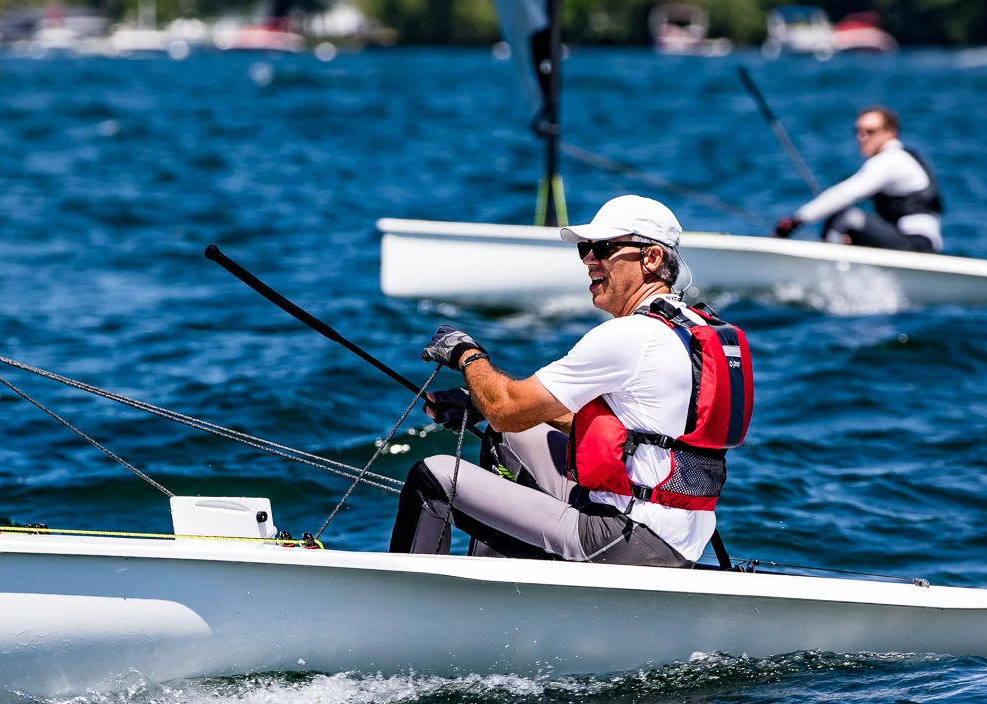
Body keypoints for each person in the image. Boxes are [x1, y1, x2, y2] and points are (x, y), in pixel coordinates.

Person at [388, 196, 752, 568]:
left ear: (653, 258)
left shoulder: (630, 336)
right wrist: (480, 404)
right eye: (585, 248)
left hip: (623, 539)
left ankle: (403, 608)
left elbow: (506, 410)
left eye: (604, 248)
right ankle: (499, 590)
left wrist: (466, 354)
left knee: (433, 476)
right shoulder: (696, 330)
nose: (589, 260)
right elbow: (632, 431)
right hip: (677, 539)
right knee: (512, 436)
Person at [773, 106, 944, 252]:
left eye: (870, 132)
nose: (862, 138)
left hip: (917, 246)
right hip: (902, 241)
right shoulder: (897, 158)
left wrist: (796, 220)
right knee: (850, 229)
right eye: (858, 132)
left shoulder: (892, 160)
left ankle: (824, 270)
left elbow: (845, 194)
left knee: (845, 217)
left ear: (891, 133)